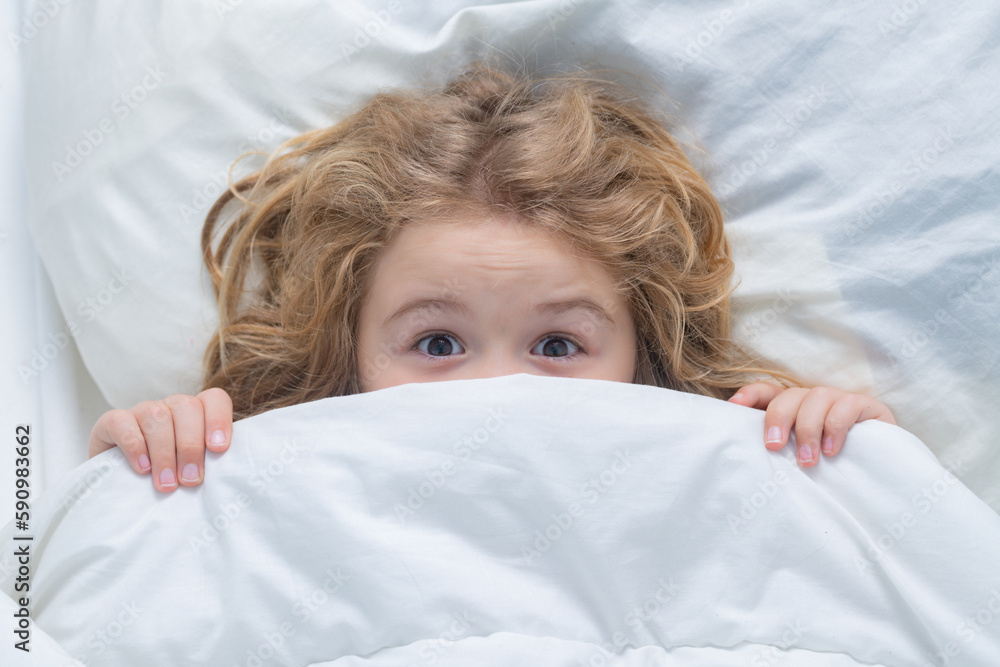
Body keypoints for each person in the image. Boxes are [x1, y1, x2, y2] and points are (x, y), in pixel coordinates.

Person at [88, 59, 896, 493]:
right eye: (437, 341)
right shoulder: (262, 471)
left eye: (558, 342)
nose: (499, 388)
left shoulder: (721, 467)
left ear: (642, 362)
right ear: (349, 358)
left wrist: (848, 457)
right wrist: (135, 476)